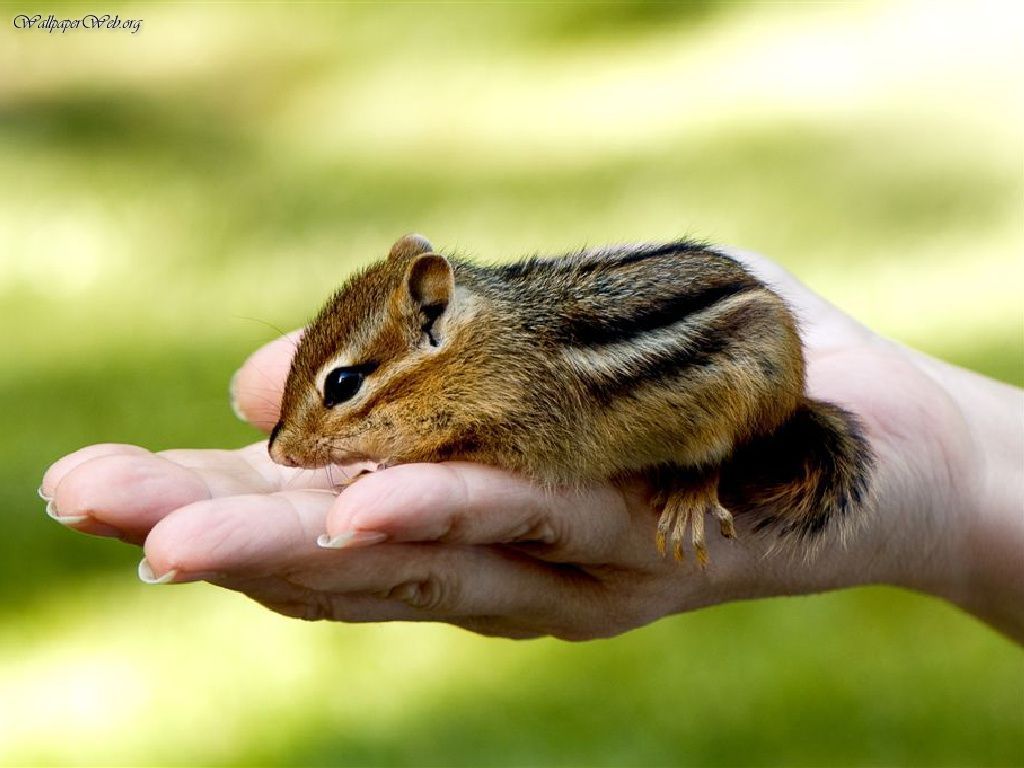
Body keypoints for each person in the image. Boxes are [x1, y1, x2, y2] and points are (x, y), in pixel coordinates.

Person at [39, 248, 1024, 643]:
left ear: (435, 322)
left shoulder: (513, 385)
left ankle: (710, 470)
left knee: (730, 394)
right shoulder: (471, 360)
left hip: (727, 359)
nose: (306, 440)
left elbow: (549, 455)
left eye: (343, 394)